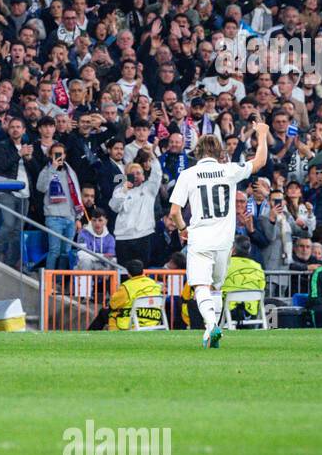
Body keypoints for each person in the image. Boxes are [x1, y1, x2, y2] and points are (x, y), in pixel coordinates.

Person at [168, 122, 270, 348]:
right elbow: (260, 162)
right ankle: (210, 330)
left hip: (199, 239)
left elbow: (174, 212)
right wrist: (262, 134)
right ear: (219, 153)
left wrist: (183, 229)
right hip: (224, 241)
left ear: (197, 152)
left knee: (200, 287)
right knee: (216, 287)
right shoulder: (229, 170)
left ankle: (212, 324)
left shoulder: (188, 174)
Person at [88, 260, 163, 331]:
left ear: (129, 274)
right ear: (143, 271)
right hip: (153, 320)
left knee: (104, 312)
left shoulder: (126, 286)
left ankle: (89, 335)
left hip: (131, 321)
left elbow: (113, 305)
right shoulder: (154, 284)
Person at [219, 236, 267, 328]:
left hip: (228, 309)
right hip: (251, 310)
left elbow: (217, 286)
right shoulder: (257, 267)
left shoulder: (224, 265)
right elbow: (262, 287)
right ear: (249, 250)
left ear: (232, 249)